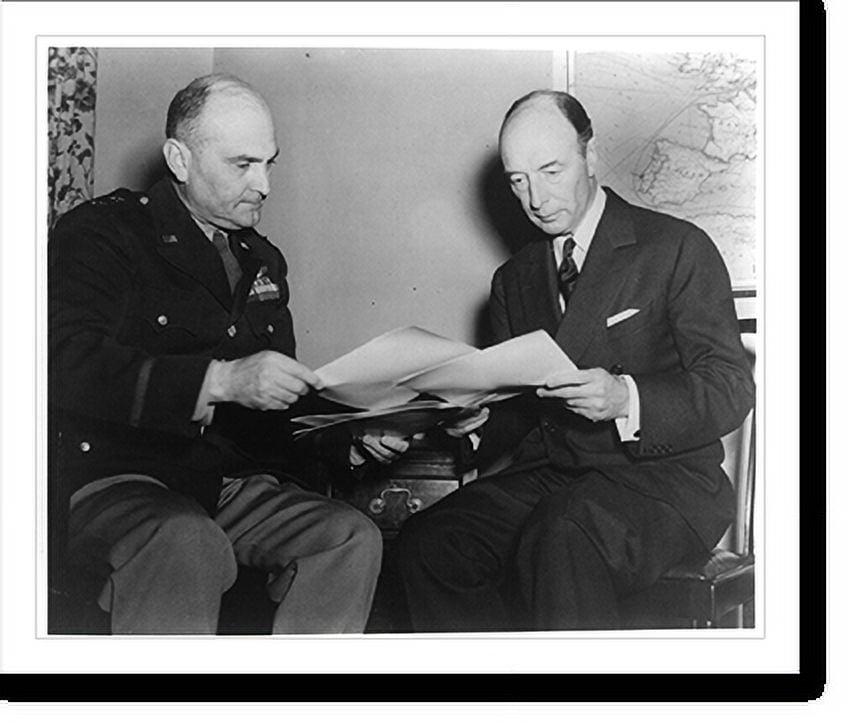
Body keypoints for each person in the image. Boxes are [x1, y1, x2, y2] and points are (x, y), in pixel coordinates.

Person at [48, 74, 409, 635]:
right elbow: (63, 362)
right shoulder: (102, 235)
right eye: (243, 164)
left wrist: (352, 437)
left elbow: (274, 408)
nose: (264, 184)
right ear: (179, 159)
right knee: (186, 537)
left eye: (270, 163)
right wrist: (217, 382)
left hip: (219, 480)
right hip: (112, 476)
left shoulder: (262, 260)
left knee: (347, 536)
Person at [397, 90, 755, 631]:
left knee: (563, 532)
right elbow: (518, 413)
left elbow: (731, 386)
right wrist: (474, 421)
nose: (536, 198)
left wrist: (626, 398)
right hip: (557, 477)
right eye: (519, 181)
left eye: (551, 171)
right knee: (431, 542)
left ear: (590, 157)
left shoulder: (676, 247)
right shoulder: (513, 281)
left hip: (664, 483)